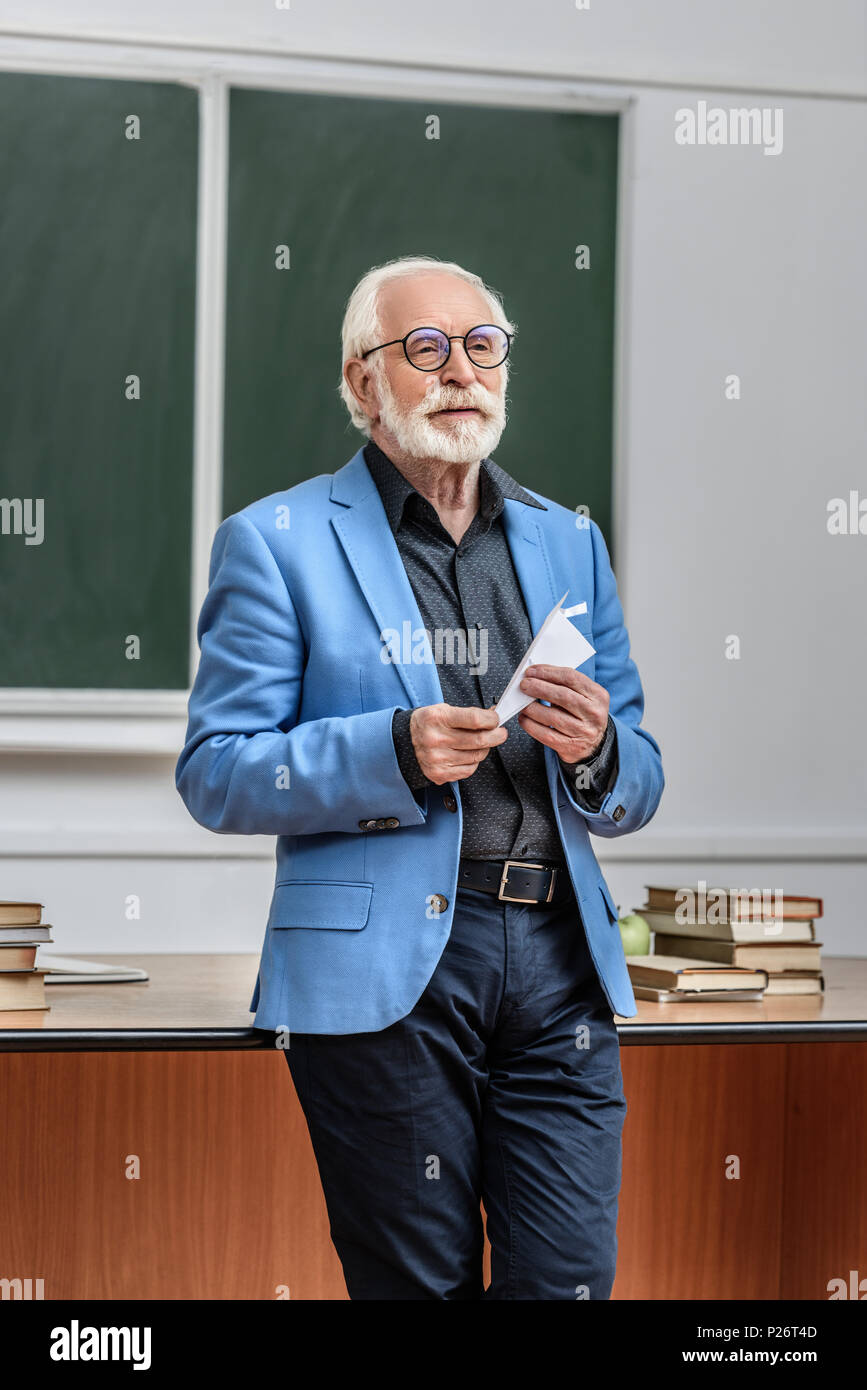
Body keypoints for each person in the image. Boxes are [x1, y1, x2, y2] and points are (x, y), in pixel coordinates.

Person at [176, 254, 664, 1300]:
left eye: (482, 347)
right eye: (426, 349)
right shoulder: (276, 543)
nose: (461, 371)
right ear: (364, 383)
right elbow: (216, 772)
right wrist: (389, 752)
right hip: (388, 980)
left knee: (570, 1281)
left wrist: (602, 751)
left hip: (557, 966)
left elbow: (641, 774)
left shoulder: (568, 541)